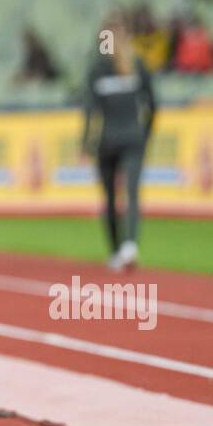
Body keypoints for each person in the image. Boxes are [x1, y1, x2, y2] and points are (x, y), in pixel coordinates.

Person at [81, 15, 156, 271]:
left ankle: (118, 250)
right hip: (132, 138)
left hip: (109, 140)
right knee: (131, 193)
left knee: (113, 197)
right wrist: (145, 134)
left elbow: (90, 111)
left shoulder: (99, 70)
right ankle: (129, 246)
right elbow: (153, 105)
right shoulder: (134, 66)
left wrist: (85, 144)